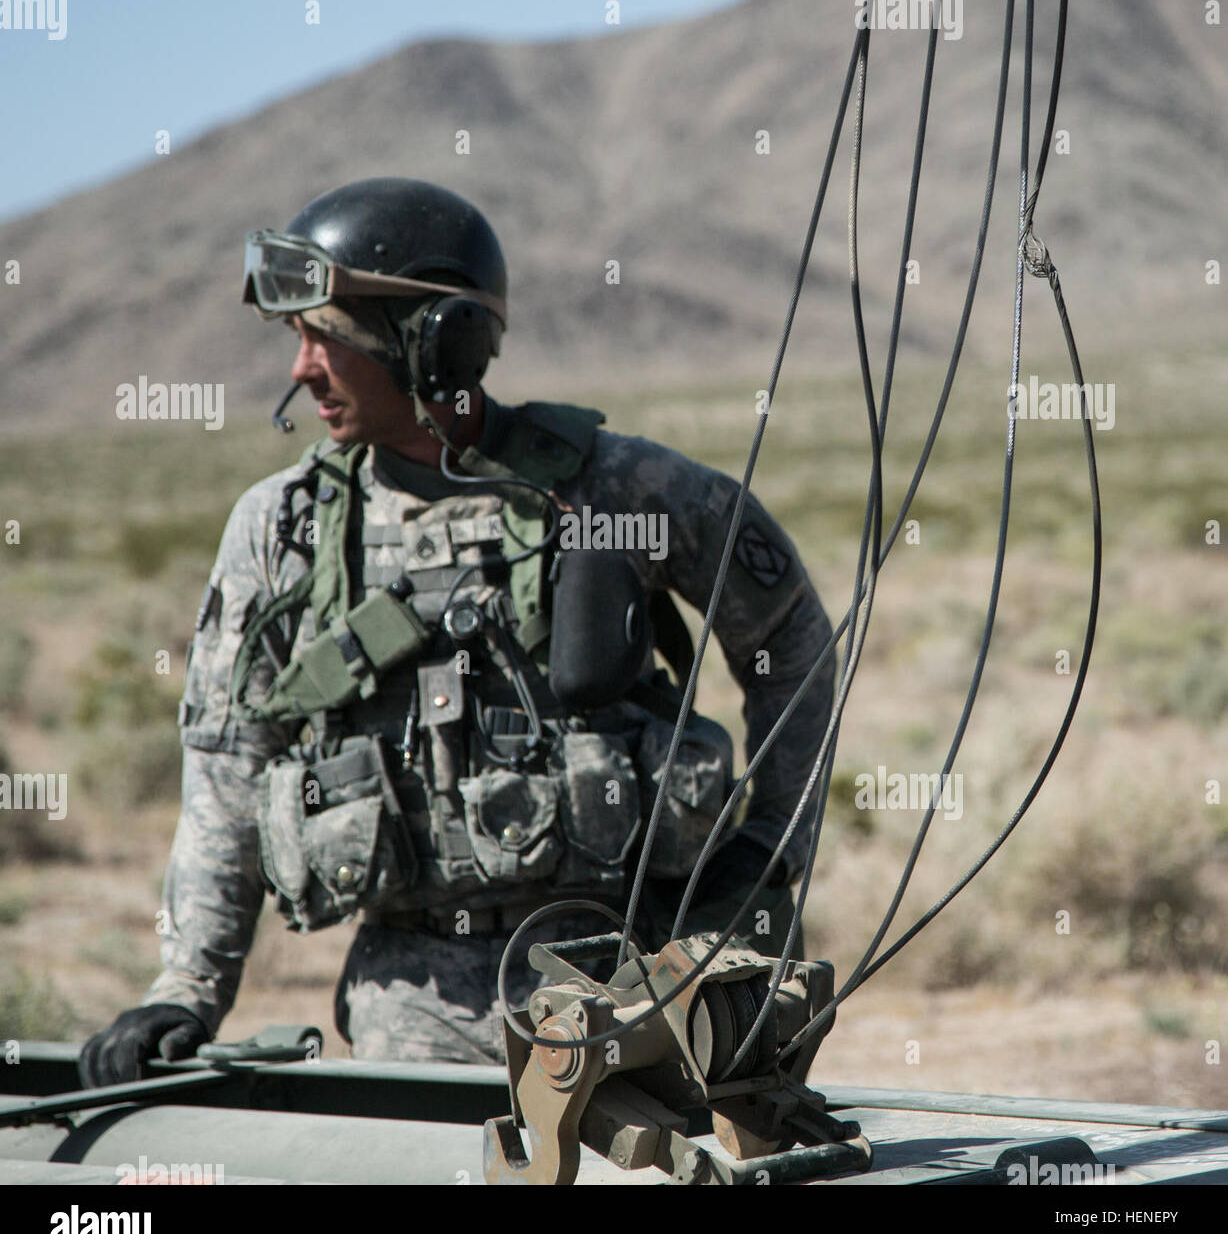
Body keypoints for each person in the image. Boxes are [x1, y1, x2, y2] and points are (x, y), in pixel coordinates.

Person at [78, 177, 836, 1085]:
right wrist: (187, 988)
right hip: (414, 1011)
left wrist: (765, 851)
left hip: (639, 992)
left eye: (325, 336)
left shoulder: (622, 491)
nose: (300, 369)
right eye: (298, 339)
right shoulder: (280, 529)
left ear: (434, 341)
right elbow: (227, 766)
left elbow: (793, 642)